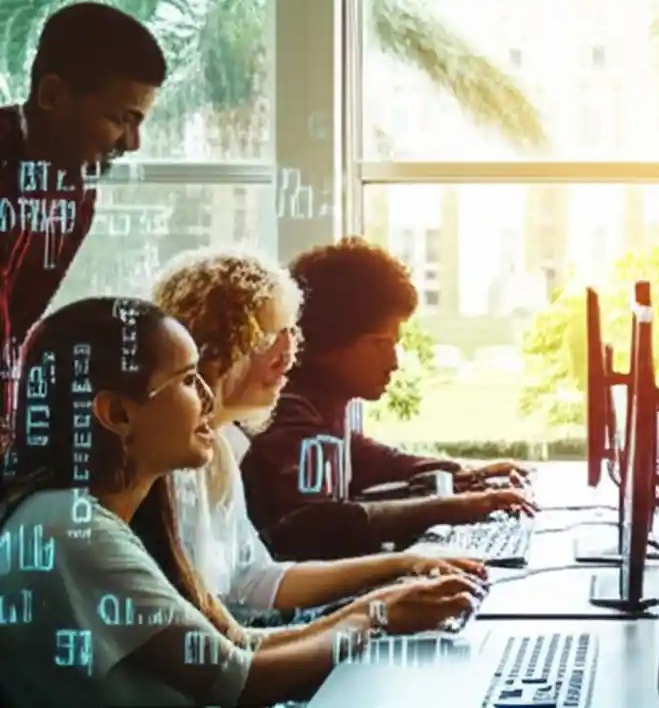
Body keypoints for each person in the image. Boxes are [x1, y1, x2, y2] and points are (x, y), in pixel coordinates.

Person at [0, 297, 486, 706]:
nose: (208, 400)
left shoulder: (91, 516)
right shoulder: (69, 528)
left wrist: (382, 602)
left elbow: (238, 645)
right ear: (117, 413)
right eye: (189, 381)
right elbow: (240, 680)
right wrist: (379, 615)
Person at [152, 247, 487, 625]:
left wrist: (405, 564)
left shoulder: (221, 454)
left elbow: (254, 579)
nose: (287, 355)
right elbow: (226, 652)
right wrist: (375, 612)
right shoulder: (163, 472)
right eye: (263, 340)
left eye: (287, 333)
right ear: (210, 349)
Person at [242, 237, 537, 560]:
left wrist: (466, 472)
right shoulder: (284, 415)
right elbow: (313, 525)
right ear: (331, 339)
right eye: (380, 343)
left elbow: (372, 458)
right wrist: (452, 509)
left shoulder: (323, 409)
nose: (394, 362)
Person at [0, 2, 166, 457]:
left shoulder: (77, 193)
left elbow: (15, 329)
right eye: (121, 119)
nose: (132, 145)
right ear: (52, 95)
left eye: (139, 123)